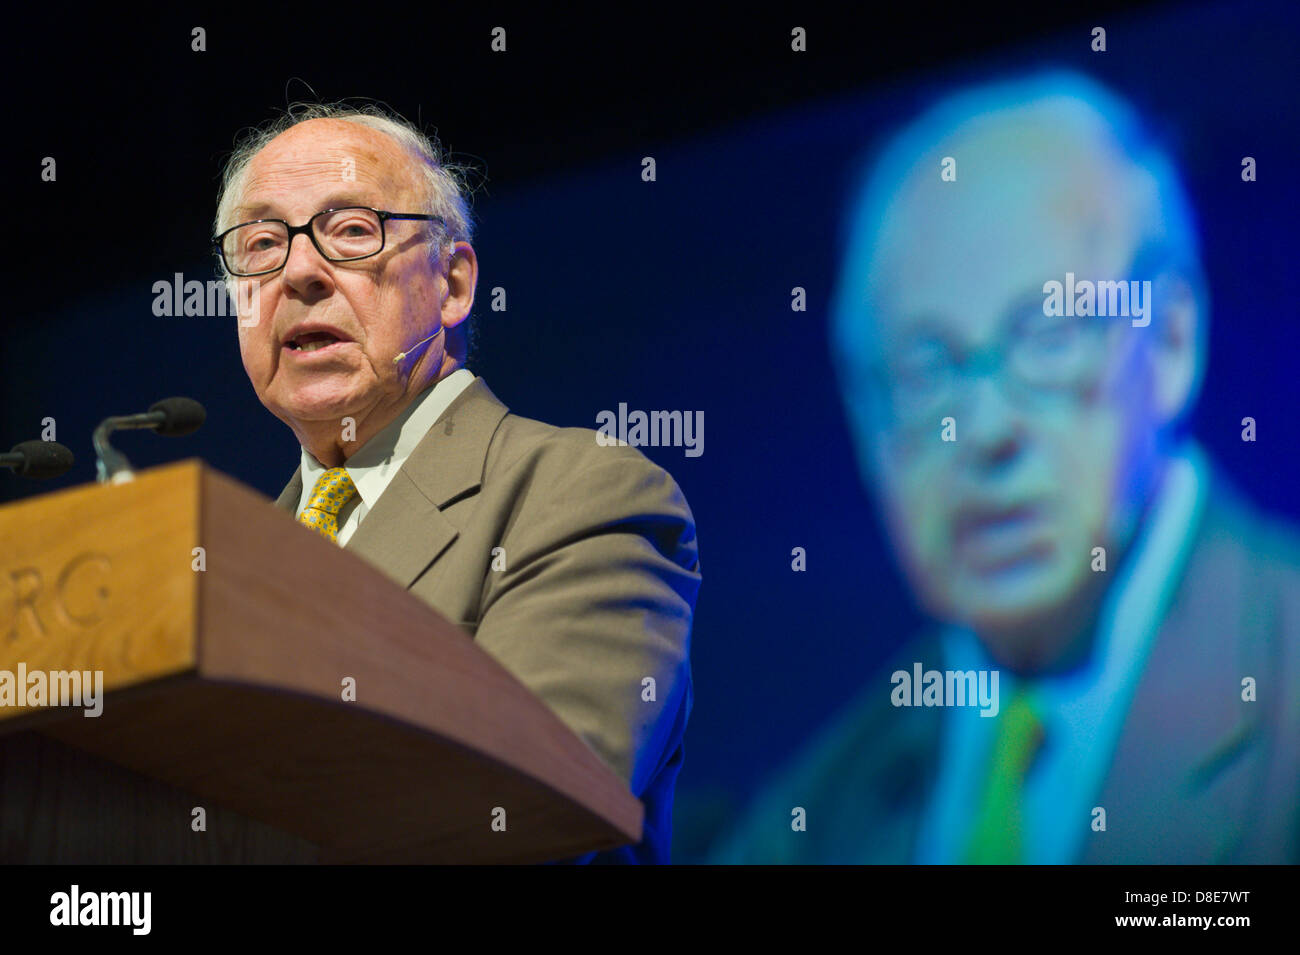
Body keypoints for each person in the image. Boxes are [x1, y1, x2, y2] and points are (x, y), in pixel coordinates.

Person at [710, 71, 1299, 864]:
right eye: (926, 369)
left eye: (1048, 337)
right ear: (861, 413)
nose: (984, 429)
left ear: (1170, 342)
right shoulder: (811, 814)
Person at [213, 105, 700, 864]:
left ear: (454, 282)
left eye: (350, 231)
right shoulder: (226, 572)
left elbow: (520, 808)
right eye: (263, 244)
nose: (299, 273)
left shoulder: (582, 494)